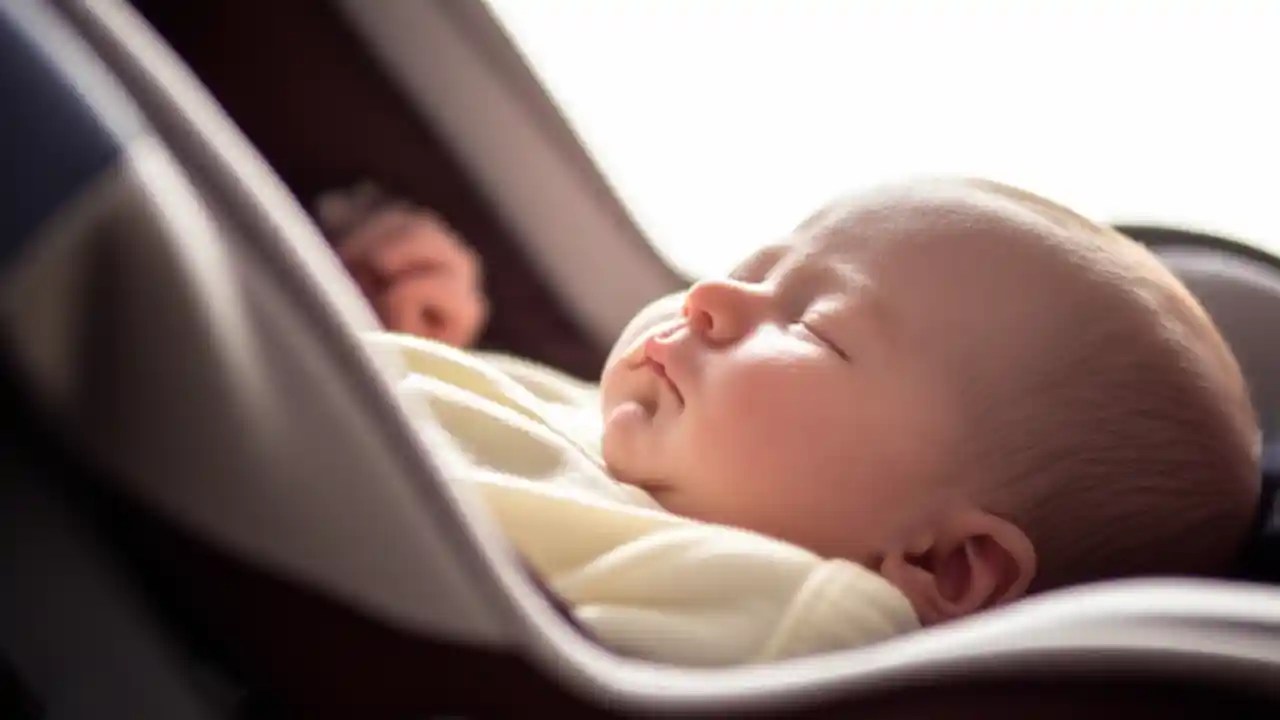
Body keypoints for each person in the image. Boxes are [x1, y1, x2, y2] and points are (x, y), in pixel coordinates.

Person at [337, 178, 1262, 664]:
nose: (709, 297)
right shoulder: (618, 434)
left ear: (945, 564)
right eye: (751, 264)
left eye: (813, 326)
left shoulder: (794, 621)